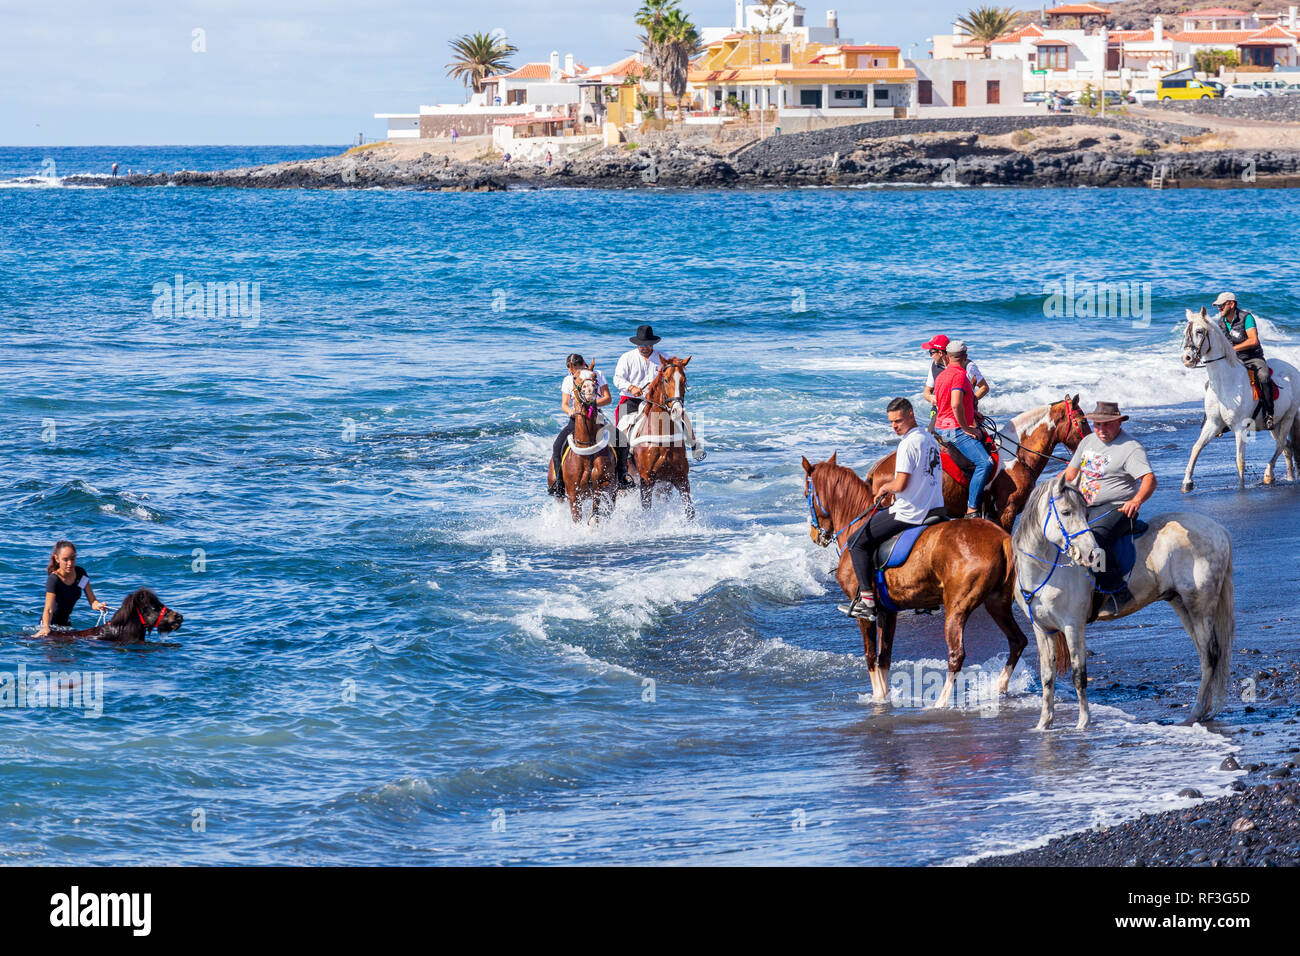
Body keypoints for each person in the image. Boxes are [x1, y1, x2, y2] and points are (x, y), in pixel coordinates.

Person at [839, 398, 945, 621]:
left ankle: (867, 601)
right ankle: (928, 602)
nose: (894, 426)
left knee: (857, 542)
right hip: (935, 506)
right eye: (891, 422)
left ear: (911, 415)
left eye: (898, 421)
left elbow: (901, 485)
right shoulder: (929, 438)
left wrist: (885, 488)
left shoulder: (907, 444)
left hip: (911, 511)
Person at [1063, 401, 1156, 614]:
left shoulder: (1130, 448)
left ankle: (1116, 591)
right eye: (1097, 425)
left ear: (1118, 422)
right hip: (1083, 504)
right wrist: (1052, 491)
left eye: (1107, 425)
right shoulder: (1087, 441)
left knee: (1092, 538)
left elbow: (1149, 479)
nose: (1101, 430)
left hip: (1118, 507)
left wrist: (1136, 501)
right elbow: (1070, 473)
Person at [933, 341, 993, 517]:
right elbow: (955, 403)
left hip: (939, 426)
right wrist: (966, 427)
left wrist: (973, 413)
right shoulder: (960, 375)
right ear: (965, 357)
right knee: (985, 463)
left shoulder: (941, 376)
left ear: (947, 356)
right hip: (954, 430)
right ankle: (972, 508)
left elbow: (944, 404)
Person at [549, 353, 611, 496]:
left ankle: (622, 477)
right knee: (557, 446)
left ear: (584, 364)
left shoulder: (597, 374)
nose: (574, 372)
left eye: (577, 367)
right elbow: (564, 405)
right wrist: (573, 412)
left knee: (622, 442)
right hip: (577, 418)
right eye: (572, 370)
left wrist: (591, 404)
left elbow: (608, 398)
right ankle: (559, 483)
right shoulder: (568, 380)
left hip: (597, 416)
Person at [612, 325, 666, 488]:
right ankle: (622, 473)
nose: (645, 348)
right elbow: (617, 379)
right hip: (631, 402)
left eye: (648, 345)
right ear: (637, 344)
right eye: (642, 345)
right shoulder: (626, 358)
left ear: (653, 344)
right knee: (621, 436)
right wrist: (631, 387)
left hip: (655, 403)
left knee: (675, 427)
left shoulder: (663, 357)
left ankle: (677, 463)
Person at [1215, 291, 1274, 429]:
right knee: (1212, 382)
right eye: (1218, 306)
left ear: (1231, 304)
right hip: (1234, 360)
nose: (1219, 308)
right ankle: (1218, 418)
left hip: (1253, 358)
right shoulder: (1221, 322)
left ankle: (1269, 414)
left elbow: (1253, 340)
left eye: (1221, 305)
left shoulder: (1246, 318)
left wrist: (1233, 349)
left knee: (1264, 377)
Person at [36, 540, 109, 636]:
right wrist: (46, 627)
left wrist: (99, 605)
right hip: (49, 625)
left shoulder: (81, 574)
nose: (70, 563)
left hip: (66, 624)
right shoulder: (54, 580)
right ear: (57, 559)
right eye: (65, 560)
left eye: (73, 558)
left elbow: (92, 601)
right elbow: (48, 609)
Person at [921, 333, 988, 427]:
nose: (930, 356)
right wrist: (930, 397)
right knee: (932, 434)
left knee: (979, 435)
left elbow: (984, 387)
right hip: (940, 411)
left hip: (963, 411)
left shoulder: (968, 366)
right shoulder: (934, 366)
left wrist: (969, 402)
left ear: (940, 353)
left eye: (931, 352)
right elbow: (926, 392)